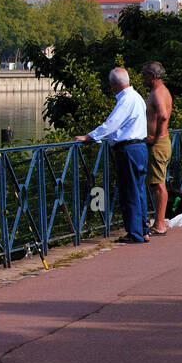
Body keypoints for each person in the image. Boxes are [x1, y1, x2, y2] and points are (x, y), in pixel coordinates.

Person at [74, 67, 148, 243]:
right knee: (139, 190)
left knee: (129, 191)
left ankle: (135, 233)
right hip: (140, 148)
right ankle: (143, 230)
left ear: (114, 83)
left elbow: (111, 124)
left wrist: (89, 136)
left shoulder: (126, 100)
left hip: (128, 150)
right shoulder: (137, 97)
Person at [142, 62, 172, 235]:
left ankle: (159, 224)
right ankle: (158, 222)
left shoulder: (158, 93)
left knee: (158, 185)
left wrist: (156, 137)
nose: (143, 78)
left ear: (153, 76)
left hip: (158, 144)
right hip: (160, 142)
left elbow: (163, 115)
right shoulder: (161, 91)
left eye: (145, 75)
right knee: (157, 183)